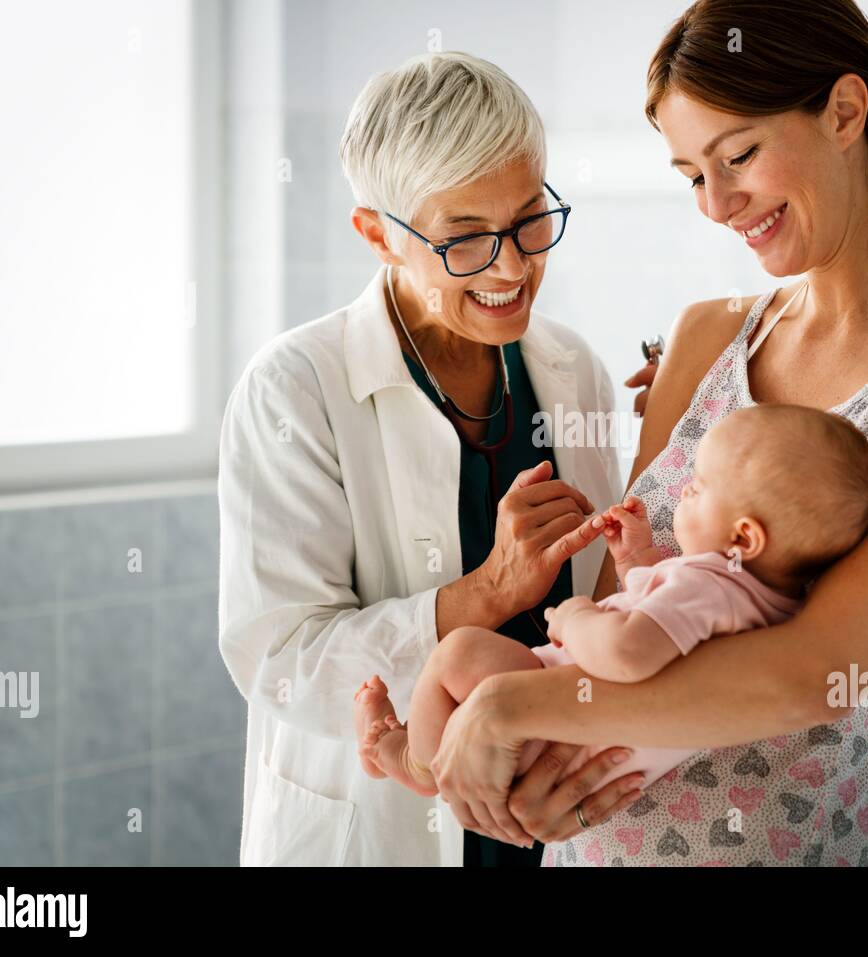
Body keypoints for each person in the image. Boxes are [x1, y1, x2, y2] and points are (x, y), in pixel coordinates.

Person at [425, 0, 868, 866]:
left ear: (845, 111)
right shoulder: (707, 336)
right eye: (690, 175)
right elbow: (617, 614)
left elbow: (821, 671)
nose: (716, 205)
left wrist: (512, 708)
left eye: (739, 155)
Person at [217, 51, 636, 866]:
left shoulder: (571, 368)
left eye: (527, 220)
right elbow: (280, 660)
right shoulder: (294, 390)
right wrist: (482, 594)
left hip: (548, 810)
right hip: (376, 834)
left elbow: (608, 608)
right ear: (378, 234)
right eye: (466, 240)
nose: (512, 267)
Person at [354, 405, 868, 800]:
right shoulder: (762, 601)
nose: (683, 494)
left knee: (459, 653)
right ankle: (413, 748)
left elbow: (629, 653)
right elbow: (663, 628)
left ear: (742, 539)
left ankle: (414, 761)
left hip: (551, 719)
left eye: (697, 487)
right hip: (585, 745)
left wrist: (576, 616)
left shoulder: (711, 582)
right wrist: (637, 561)